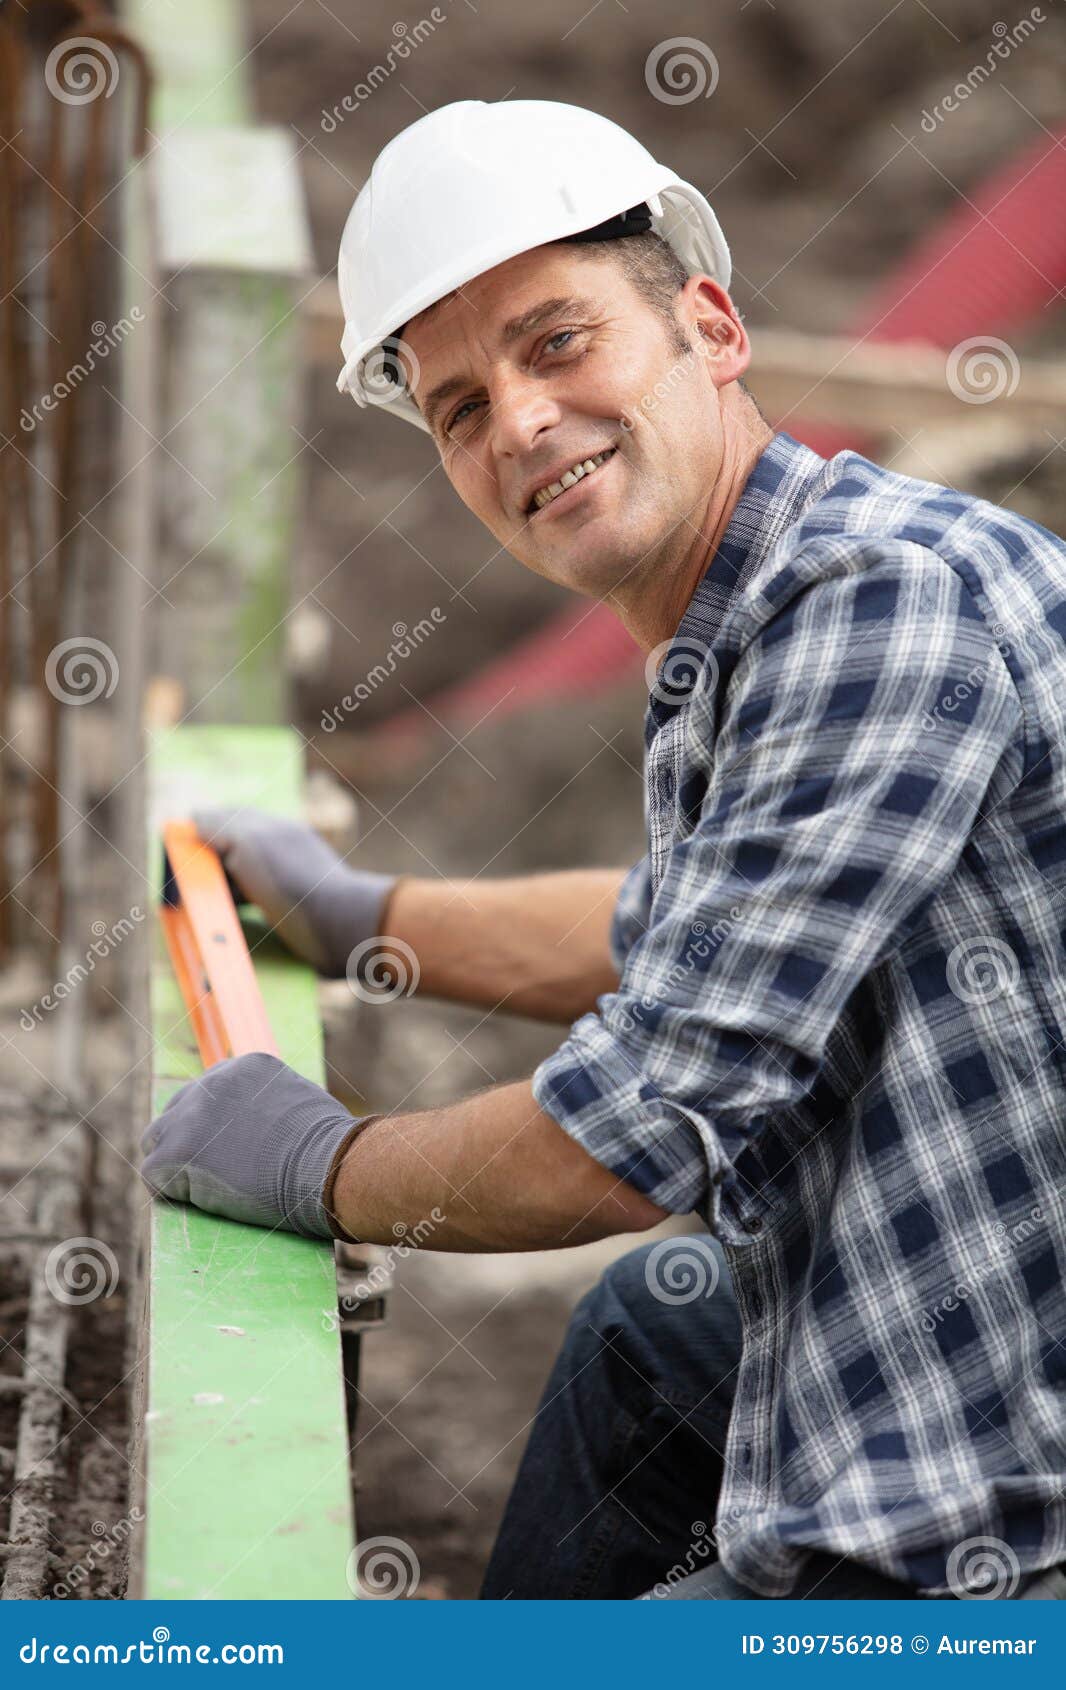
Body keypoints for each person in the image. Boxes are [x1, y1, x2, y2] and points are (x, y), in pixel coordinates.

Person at [142, 100, 1066, 1601]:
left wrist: (321, 1164)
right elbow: (695, 931)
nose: (516, 423)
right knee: (652, 1326)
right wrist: (367, 916)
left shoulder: (877, 615)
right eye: (459, 407)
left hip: (1011, 1525)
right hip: (988, 1314)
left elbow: (636, 1132)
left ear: (711, 327)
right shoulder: (784, 593)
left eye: (557, 342)